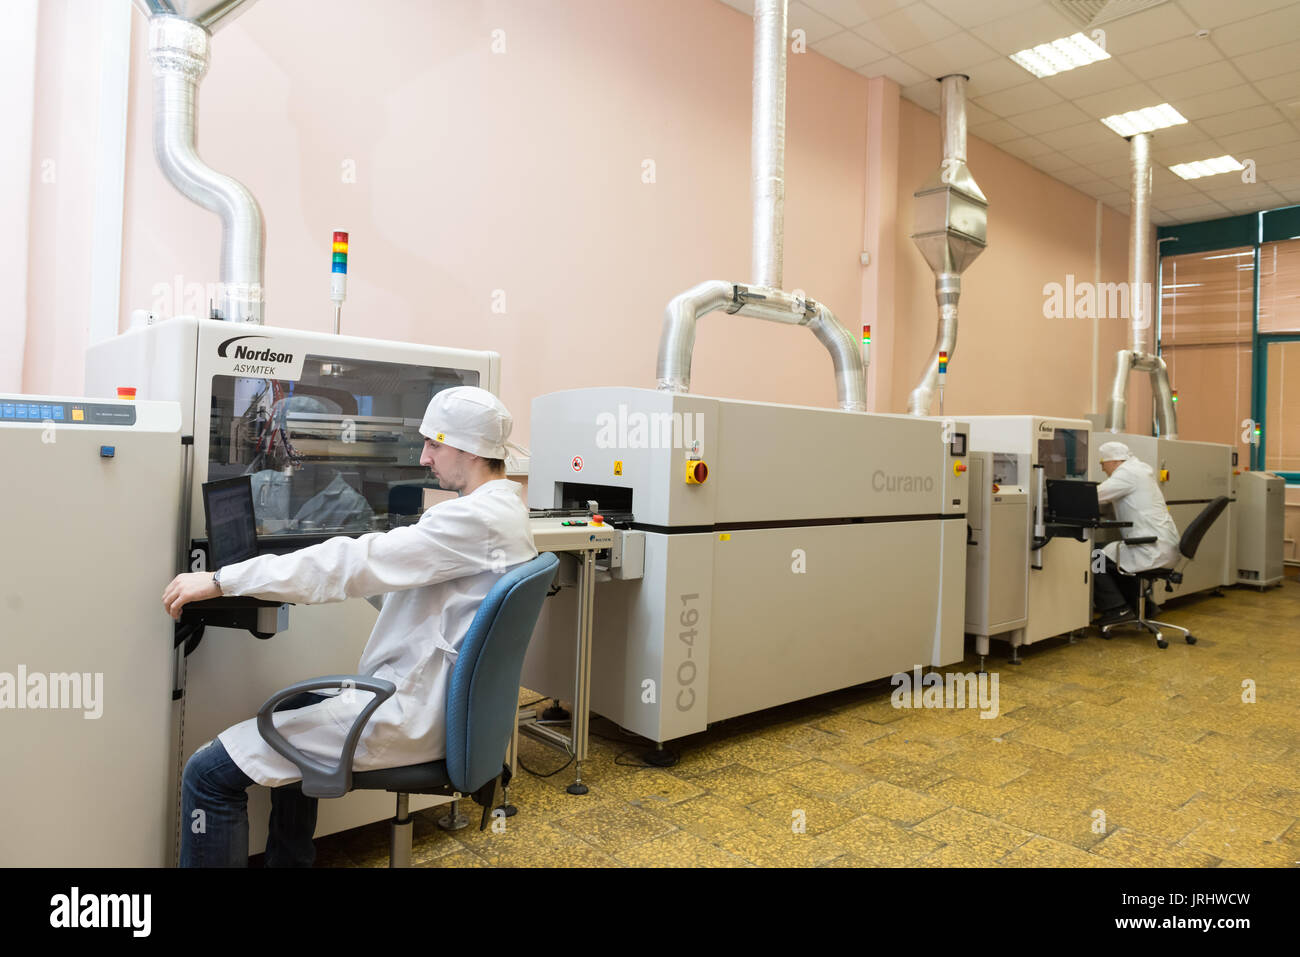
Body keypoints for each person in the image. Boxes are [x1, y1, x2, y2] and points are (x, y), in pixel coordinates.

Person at [161, 386, 537, 867]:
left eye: (434, 445)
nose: (424, 457)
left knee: (207, 773)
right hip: (437, 704)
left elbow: (354, 561)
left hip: (406, 713)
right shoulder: (505, 512)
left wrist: (222, 579)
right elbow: (389, 577)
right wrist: (309, 577)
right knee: (293, 710)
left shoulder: (473, 521)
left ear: (467, 448)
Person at [1092, 440, 1180, 626]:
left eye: (1102, 463)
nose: (1102, 468)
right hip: (1162, 544)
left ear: (1114, 461)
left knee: (1095, 556)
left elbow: (1094, 495)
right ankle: (1144, 607)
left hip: (1150, 546)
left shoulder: (1127, 474)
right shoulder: (1139, 470)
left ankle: (1116, 608)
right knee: (1116, 560)